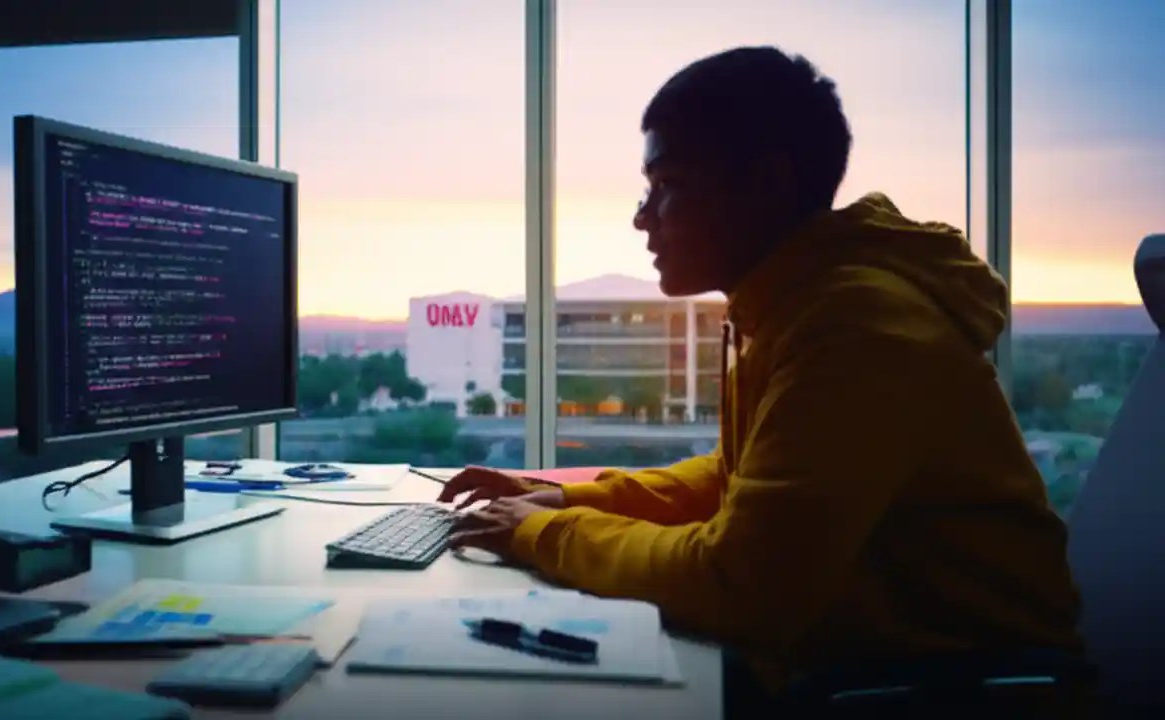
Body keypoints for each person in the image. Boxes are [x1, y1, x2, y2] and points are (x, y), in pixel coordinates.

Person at [437, 46, 1082, 696]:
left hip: (952, 691)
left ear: (767, 184)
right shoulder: (790, 304)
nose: (641, 217)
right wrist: (567, 499)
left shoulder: (860, 325)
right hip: (859, 662)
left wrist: (544, 532)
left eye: (667, 187)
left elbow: (740, 584)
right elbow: (736, 479)